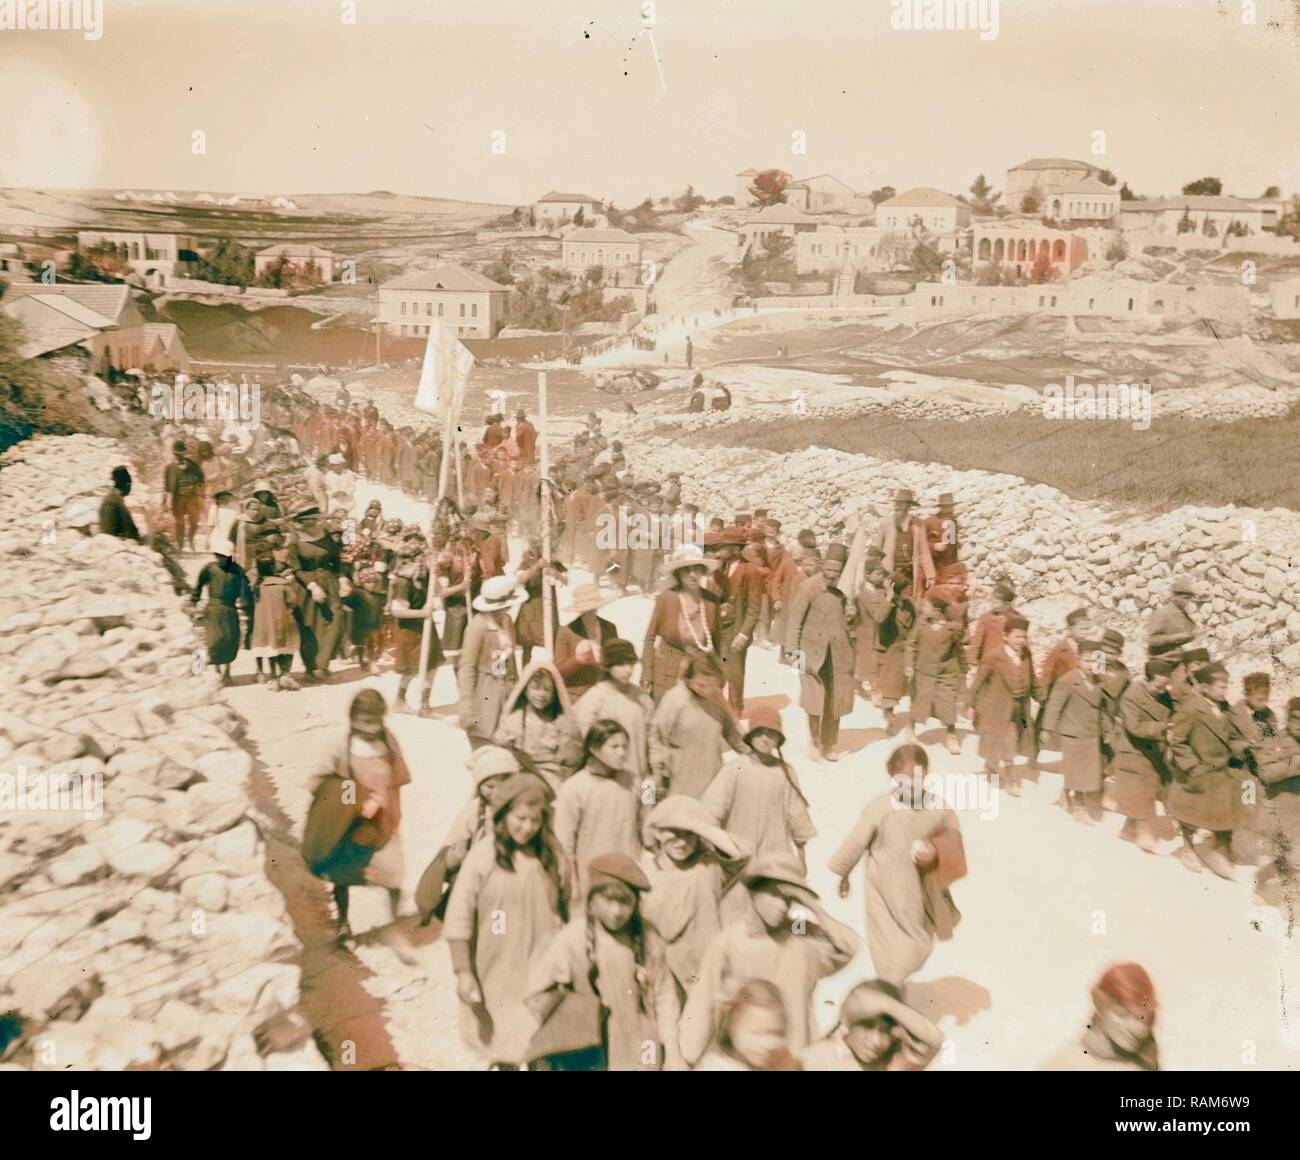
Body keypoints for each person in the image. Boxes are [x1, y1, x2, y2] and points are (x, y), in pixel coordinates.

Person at [680, 854, 858, 1065]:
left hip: (793, 1058)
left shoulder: (800, 937)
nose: (782, 906)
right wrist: (689, 1056)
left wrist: (812, 905)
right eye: (774, 894)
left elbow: (848, 946)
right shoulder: (728, 943)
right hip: (745, 1058)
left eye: (788, 898)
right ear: (754, 892)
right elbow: (702, 1000)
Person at [445, 772, 569, 1070]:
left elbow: (570, 902)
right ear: (504, 814)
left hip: (543, 962)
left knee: (543, 1040)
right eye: (520, 818)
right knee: (504, 1041)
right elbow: (459, 915)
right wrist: (463, 971)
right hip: (495, 967)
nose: (527, 827)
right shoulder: (484, 856)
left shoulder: (551, 854)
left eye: (535, 820)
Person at [525, 853, 683, 1071]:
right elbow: (535, 993)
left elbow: (665, 998)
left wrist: (673, 1054)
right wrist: (572, 1016)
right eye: (609, 900)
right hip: (590, 1052)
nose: (617, 911)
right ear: (591, 901)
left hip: (643, 1044)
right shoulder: (573, 938)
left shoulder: (648, 939)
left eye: (625, 902)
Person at [830, 744, 962, 988]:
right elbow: (857, 841)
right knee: (886, 938)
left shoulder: (938, 808)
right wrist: (844, 873)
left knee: (918, 940)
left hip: (920, 886)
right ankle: (888, 983)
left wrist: (936, 849)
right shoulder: (880, 808)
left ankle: (891, 979)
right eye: (905, 778)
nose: (912, 783)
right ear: (893, 778)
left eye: (918, 777)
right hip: (883, 886)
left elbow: (953, 836)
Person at [306, 690, 412, 945]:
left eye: (375, 720)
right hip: (351, 824)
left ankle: (394, 925)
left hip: (383, 823)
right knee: (344, 876)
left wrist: (388, 808)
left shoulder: (388, 740)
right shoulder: (341, 747)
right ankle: (343, 923)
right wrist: (358, 801)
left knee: (392, 873)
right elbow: (321, 781)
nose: (370, 727)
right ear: (353, 718)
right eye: (364, 720)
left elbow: (398, 777)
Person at [642, 795, 746, 1003]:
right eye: (674, 832)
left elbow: (740, 853)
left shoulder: (708, 867)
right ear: (658, 832)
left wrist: (698, 825)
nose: (681, 842)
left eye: (689, 835)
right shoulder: (646, 871)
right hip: (666, 970)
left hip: (706, 969)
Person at [702, 704, 814, 876]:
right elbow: (714, 807)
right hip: (738, 852)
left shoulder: (785, 772)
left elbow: (796, 812)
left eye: (771, 734)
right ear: (751, 736)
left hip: (774, 853)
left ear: (778, 740)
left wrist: (801, 856)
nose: (764, 739)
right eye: (759, 732)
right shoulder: (736, 768)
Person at [1167, 662, 1251, 878]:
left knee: (1225, 810)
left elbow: (1231, 737)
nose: (1226, 690)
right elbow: (1177, 741)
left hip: (1220, 770)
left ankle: (1220, 849)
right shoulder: (1191, 709)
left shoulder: (1226, 709)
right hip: (1198, 770)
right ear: (1204, 687)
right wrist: (1192, 766)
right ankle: (1187, 848)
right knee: (1189, 813)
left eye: (1226, 686)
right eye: (1221, 686)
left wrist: (1240, 746)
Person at [783, 541, 855, 761]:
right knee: (814, 700)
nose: (833, 575)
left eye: (837, 571)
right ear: (823, 566)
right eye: (829, 570)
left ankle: (829, 744)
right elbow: (795, 619)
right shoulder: (809, 587)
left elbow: (853, 624)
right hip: (812, 652)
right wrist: (792, 649)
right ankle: (814, 742)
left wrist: (852, 615)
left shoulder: (847, 590)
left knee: (836, 699)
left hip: (839, 653)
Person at [554, 721, 640, 900]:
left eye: (625, 746)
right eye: (614, 746)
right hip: (592, 877)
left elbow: (649, 812)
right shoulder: (573, 788)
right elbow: (564, 843)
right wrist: (573, 884)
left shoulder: (633, 780)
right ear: (594, 749)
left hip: (630, 871)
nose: (622, 753)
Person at [648, 653, 746, 800]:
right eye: (701, 685)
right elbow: (656, 736)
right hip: (679, 777)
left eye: (713, 686)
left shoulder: (716, 698)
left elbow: (734, 736)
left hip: (711, 774)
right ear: (688, 679)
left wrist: (755, 756)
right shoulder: (675, 699)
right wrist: (657, 770)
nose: (707, 690)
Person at [800, 979, 944, 1072]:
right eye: (867, 1025)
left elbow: (935, 1042)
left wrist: (887, 1005)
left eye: (886, 1031)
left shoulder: (885, 1064)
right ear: (850, 1022)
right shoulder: (815, 1057)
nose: (876, 1041)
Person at [1109, 658, 1177, 853]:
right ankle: (1144, 832)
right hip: (1134, 750)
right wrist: (1163, 728)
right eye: (1159, 686)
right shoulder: (1131, 696)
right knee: (1143, 789)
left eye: (1166, 686)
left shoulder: (1164, 695)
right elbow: (1135, 727)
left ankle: (1128, 829)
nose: (1164, 690)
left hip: (1154, 749)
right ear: (1147, 680)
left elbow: (1171, 715)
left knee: (1147, 789)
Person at [1040, 643, 1111, 824]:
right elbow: (1054, 706)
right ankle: (1079, 808)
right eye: (1086, 660)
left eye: (1094, 661)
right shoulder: (1068, 680)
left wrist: (1107, 730)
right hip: (1072, 733)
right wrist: (1047, 729)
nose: (1090, 665)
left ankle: (1065, 793)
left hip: (1091, 733)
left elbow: (1100, 709)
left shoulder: (1099, 681)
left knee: (1086, 772)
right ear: (1078, 660)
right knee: (1080, 772)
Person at [1041, 963, 1159, 1071]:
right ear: (1100, 1007)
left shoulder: (1146, 1065)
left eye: (1142, 1018)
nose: (1135, 1028)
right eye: (1122, 1014)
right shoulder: (1063, 1066)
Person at [641, 545, 722, 700]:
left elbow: (718, 644)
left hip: (698, 673)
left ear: (703, 572)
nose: (692, 575)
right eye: (686, 570)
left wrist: (720, 672)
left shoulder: (711, 602)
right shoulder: (667, 598)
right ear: (678, 573)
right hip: (667, 672)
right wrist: (647, 673)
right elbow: (649, 639)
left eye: (697, 569)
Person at [969, 614, 1038, 794]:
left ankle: (990, 766)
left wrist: (1041, 697)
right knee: (1008, 742)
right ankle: (1010, 780)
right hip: (998, 709)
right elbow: (979, 681)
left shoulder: (1026, 655)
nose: (1021, 641)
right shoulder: (994, 657)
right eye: (1017, 636)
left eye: (1024, 637)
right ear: (1006, 637)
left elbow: (1033, 679)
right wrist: (969, 704)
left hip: (1020, 710)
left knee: (1008, 740)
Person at [572, 639, 656, 783]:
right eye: (621, 664)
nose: (628, 670)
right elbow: (585, 743)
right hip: (609, 780)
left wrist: (649, 799)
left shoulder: (640, 696)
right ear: (607, 666)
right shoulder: (594, 699)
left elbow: (652, 739)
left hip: (641, 778)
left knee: (649, 801)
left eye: (631, 664)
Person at [493, 661, 583, 793]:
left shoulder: (561, 722)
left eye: (547, 690)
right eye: (535, 688)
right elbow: (500, 753)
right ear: (525, 691)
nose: (541, 694)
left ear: (554, 693)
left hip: (554, 782)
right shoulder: (515, 721)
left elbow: (572, 760)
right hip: (521, 779)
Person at [457, 575, 525, 748]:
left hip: (507, 689)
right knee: (485, 745)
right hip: (485, 691)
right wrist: (467, 703)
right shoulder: (477, 626)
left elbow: (509, 658)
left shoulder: (507, 621)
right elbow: (467, 666)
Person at [906, 586, 965, 754]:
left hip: (946, 673)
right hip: (923, 672)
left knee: (947, 703)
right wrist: (909, 665)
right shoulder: (920, 624)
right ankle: (910, 728)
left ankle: (951, 736)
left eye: (925, 606)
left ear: (937, 609)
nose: (922, 608)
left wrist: (964, 669)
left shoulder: (953, 628)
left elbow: (959, 648)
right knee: (919, 701)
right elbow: (911, 644)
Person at [695, 980, 802, 1071]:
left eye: (776, 1033)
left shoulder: (780, 1062)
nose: (767, 1043)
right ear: (732, 1027)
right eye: (757, 1033)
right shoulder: (718, 1067)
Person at [390, 536, 440, 714]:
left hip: (426, 626)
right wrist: (422, 613)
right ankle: (399, 701)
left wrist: (435, 574)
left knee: (432, 665)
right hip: (410, 630)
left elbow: (438, 594)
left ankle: (425, 705)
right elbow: (397, 610)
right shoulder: (403, 583)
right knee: (411, 669)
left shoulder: (425, 577)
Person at [191, 549, 253, 685]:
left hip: (230, 610)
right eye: (217, 556)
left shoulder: (237, 571)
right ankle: (211, 672)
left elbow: (245, 591)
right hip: (212, 609)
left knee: (230, 641)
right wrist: (194, 600)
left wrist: (245, 605)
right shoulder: (209, 568)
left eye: (223, 556)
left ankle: (227, 672)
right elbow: (199, 585)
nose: (220, 559)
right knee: (213, 640)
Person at [249, 549, 303, 690]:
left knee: (270, 649)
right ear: (273, 567)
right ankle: (285, 673)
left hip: (263, 623)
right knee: (287, 647)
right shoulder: (282, 583)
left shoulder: (256, 585)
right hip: (282, 620)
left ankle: (273, 678)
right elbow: (293, 600)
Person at [554, 583, 619, 699]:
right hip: (575, 695)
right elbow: (558, 672)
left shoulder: (609, 628)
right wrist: (577, 660)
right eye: (585, 610)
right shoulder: (566, 631)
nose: (589, 612)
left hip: (604, 693)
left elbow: (616, 662)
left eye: (592, 608)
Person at [163, 439, 205, 551]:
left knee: (195, 522)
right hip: (177, 499)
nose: (178, 457)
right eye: (176, 454)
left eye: (181, 454)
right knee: (179, 522)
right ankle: (180, 545)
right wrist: (164, 502)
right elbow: (166, 487)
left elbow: (201, 481)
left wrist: (200, 493)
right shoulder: (169, 468)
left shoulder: (193, 466)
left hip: (192, 498)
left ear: (184, 453)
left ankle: (190, 538)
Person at [1147, 578, 1198, 657]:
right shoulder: (1163, 613)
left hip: (1178, 658)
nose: (1187, 602)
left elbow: (1189, 634)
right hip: (1162, 660)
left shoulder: (1182, 613)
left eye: (1189, 599)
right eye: (1185, 598)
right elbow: (1152, 640)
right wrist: (1176, 637)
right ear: (1175, 596)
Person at [98, 465, 140, 541]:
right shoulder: (110, 503)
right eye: (129, 483)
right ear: (126, 484)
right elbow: (108, 536)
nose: (130, 487)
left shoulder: (116, 501)